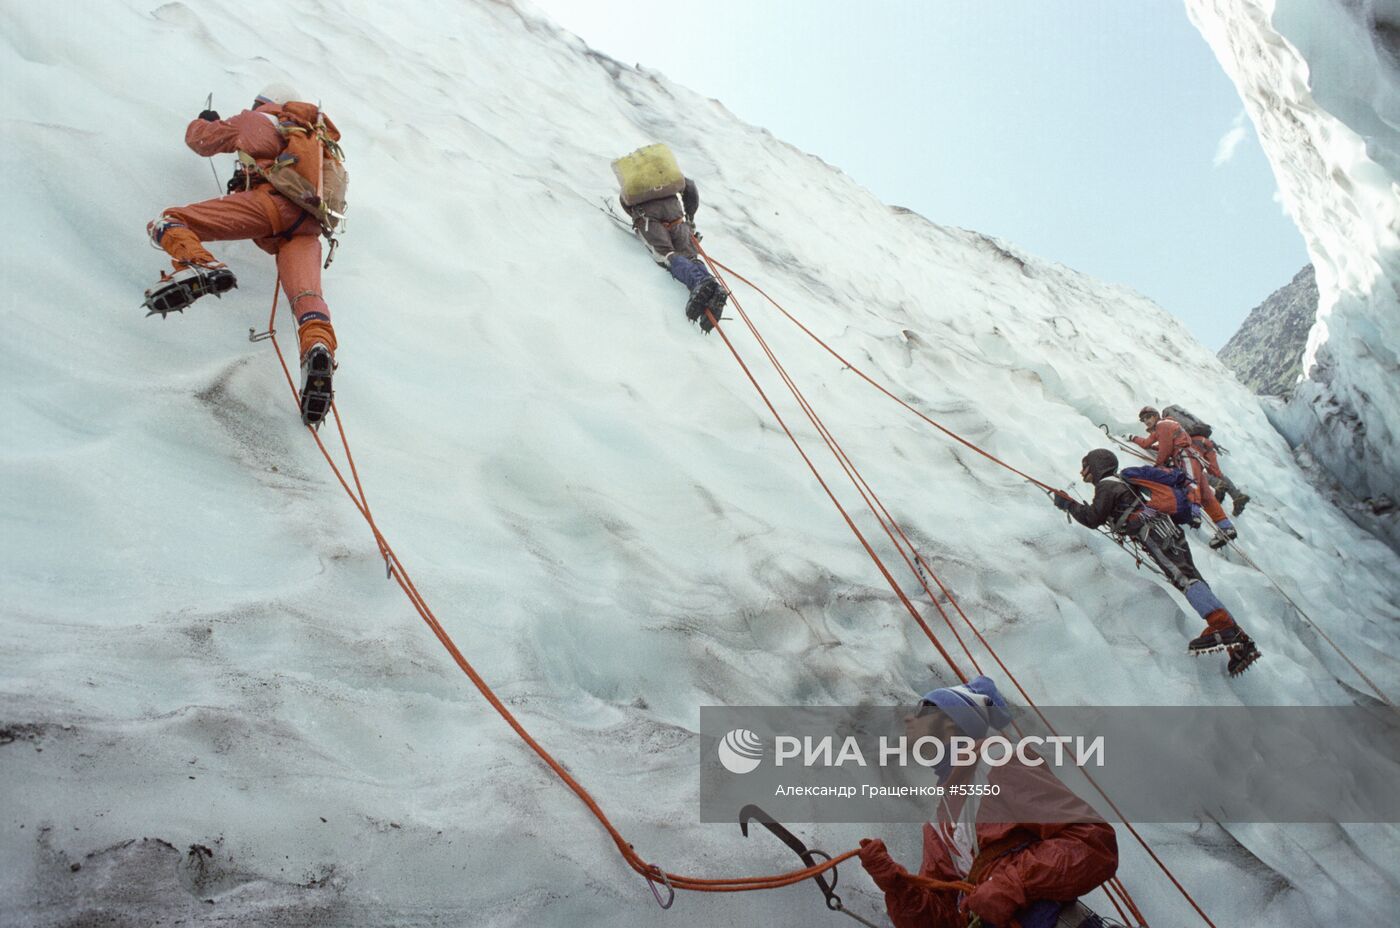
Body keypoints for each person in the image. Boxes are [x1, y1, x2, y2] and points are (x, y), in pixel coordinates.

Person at [143, 83, 343, 426]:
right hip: (308, 228)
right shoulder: (320, 143)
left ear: (267, 102)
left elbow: (201, 140)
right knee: (307, 297)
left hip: (268, 209)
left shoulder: (261, 120)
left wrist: (205, 120)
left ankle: (200, 265)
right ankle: (317, 349)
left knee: (170, 221)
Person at [859, 676, 1120, 928]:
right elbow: (942, 920)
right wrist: (896, 885)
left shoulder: (999, 762)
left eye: (923, 708)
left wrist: (1011, 884)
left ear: (950, 721)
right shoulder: (941, 821)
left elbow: (1092, 841)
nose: (909, 718)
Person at [1052, 449, 1260, 674]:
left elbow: (1093, 518)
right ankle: (1239, 642)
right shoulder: (1120, 482)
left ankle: (1222, 624)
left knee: (1185, 579)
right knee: (1191, 577)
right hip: (1168, 530)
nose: (1083, 471)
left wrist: (1067, 504)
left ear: (1095, 465)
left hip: (1154, 533)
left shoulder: (1107, 486)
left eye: (1086, 466)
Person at [616, 151, 728, 333]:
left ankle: (699, 284)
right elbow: (690, 188)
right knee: (691, 256)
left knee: (666, 255)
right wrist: (690, 219)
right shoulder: (669, 176)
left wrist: (639, 220)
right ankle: (712, 287)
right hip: (677, 218)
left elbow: (626, 203)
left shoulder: (633, 184)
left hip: (649, 220)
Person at [1130, 407, 1237, 547]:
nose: (1146, 421)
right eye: (1143, 420)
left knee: (1190, 483)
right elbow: (1148, 444)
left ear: (1156, 416)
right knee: (1206, 495)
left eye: (1148, 417)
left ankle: (1194, 513)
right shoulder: (1163, 428)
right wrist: (1133, 438)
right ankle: (1225, 526)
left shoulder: (1163, 424)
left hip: (1185, 457)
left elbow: (1166, 449)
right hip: (1192, 458)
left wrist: (1159, 465)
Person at [1192, 434, 1251, 517]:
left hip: (1192, 443)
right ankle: (1237, 496)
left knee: (1193, 470)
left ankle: (1218, 484)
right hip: (1206, 442)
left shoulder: (1170, 422)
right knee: (1216, 473)